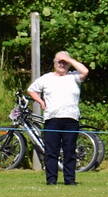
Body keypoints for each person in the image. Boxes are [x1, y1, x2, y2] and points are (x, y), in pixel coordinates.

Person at [27, 51, 90, 186]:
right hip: (52, 119)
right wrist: (41, 102)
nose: (62, 64)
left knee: (69, 151)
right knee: (51, 152)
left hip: (71, 119)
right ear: (54, 63)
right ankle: (51, 180)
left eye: (64, 62)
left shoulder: (74, 77)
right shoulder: (46, 78)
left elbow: (85, 71)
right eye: (59, 62)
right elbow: (31, 90)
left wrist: (69, 59)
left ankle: (70, 180)